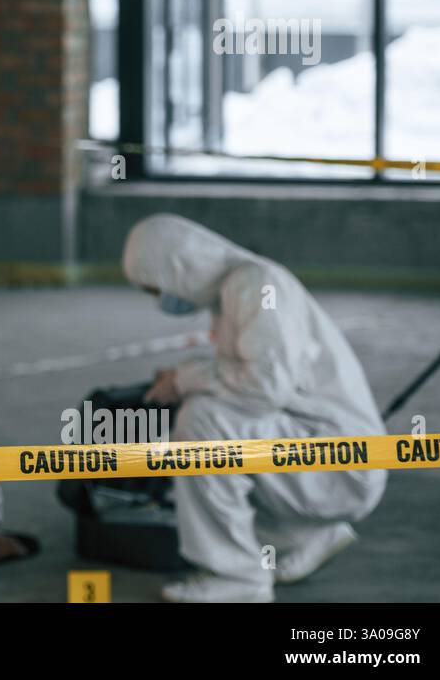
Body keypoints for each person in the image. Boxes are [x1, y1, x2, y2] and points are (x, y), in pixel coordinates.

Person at [123, 214, 387, 603]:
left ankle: (236, 577)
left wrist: (186, 380)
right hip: (329, 455)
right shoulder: (234, 290)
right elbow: (252, 376)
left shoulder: (258, 285)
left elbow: (264, 389)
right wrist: (187, 375)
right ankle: (307, 537)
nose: (159, 299)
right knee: (213, 417)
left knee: (202, 423)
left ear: (176, 265)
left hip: (343, 464)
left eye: (154, 287)